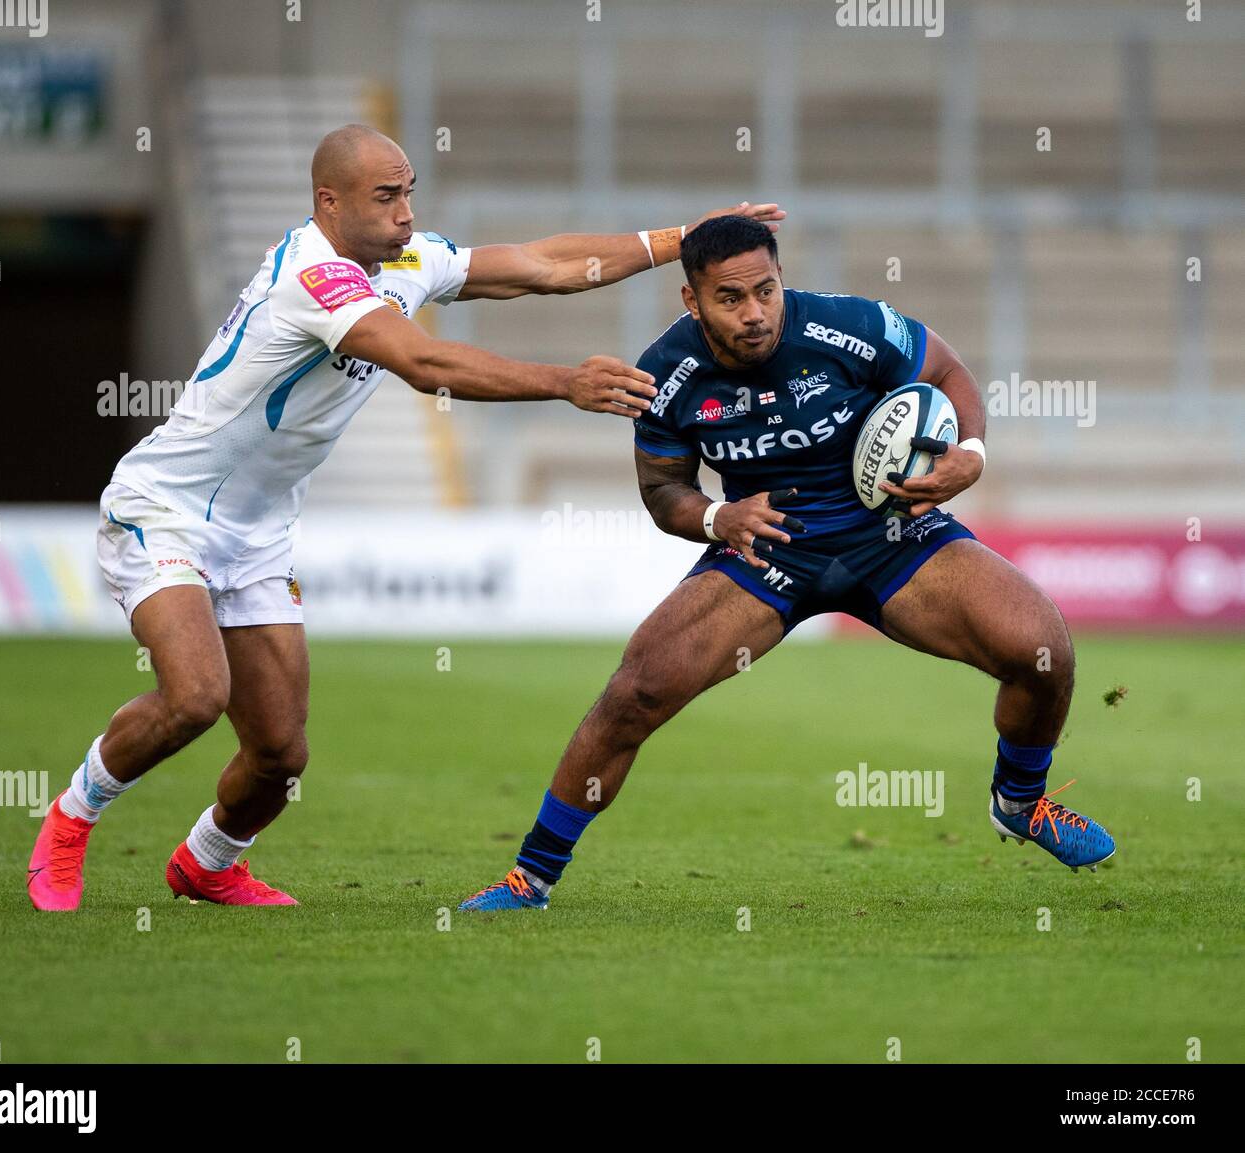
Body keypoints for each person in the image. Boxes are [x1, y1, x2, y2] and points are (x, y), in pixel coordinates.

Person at [27, 127, 784, 911]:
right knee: (193, 696)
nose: (405, 212)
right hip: (166, 509)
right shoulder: (309, 276)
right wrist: (564, 380)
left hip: (256, 533)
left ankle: (208, 861)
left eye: (408, 192)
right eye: (386, 197)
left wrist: (677, 240)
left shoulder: (408, 260)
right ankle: (70, 821)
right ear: (330, 201)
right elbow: (425, 365)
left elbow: (541, 265)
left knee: (280, 756)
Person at [460, 215, 1115, 912]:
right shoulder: (667, 373)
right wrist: (719, 517)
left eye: (765, 291)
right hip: (763, 548)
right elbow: (662, 491)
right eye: (730, 299)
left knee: (1043, 649)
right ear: (692, 301)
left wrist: (970, 458)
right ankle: (531, 879)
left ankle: (1019, 801)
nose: (754, 313)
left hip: (888, 535)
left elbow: (949, 372)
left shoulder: (849, 327)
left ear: (781, 278)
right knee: (636, 692)